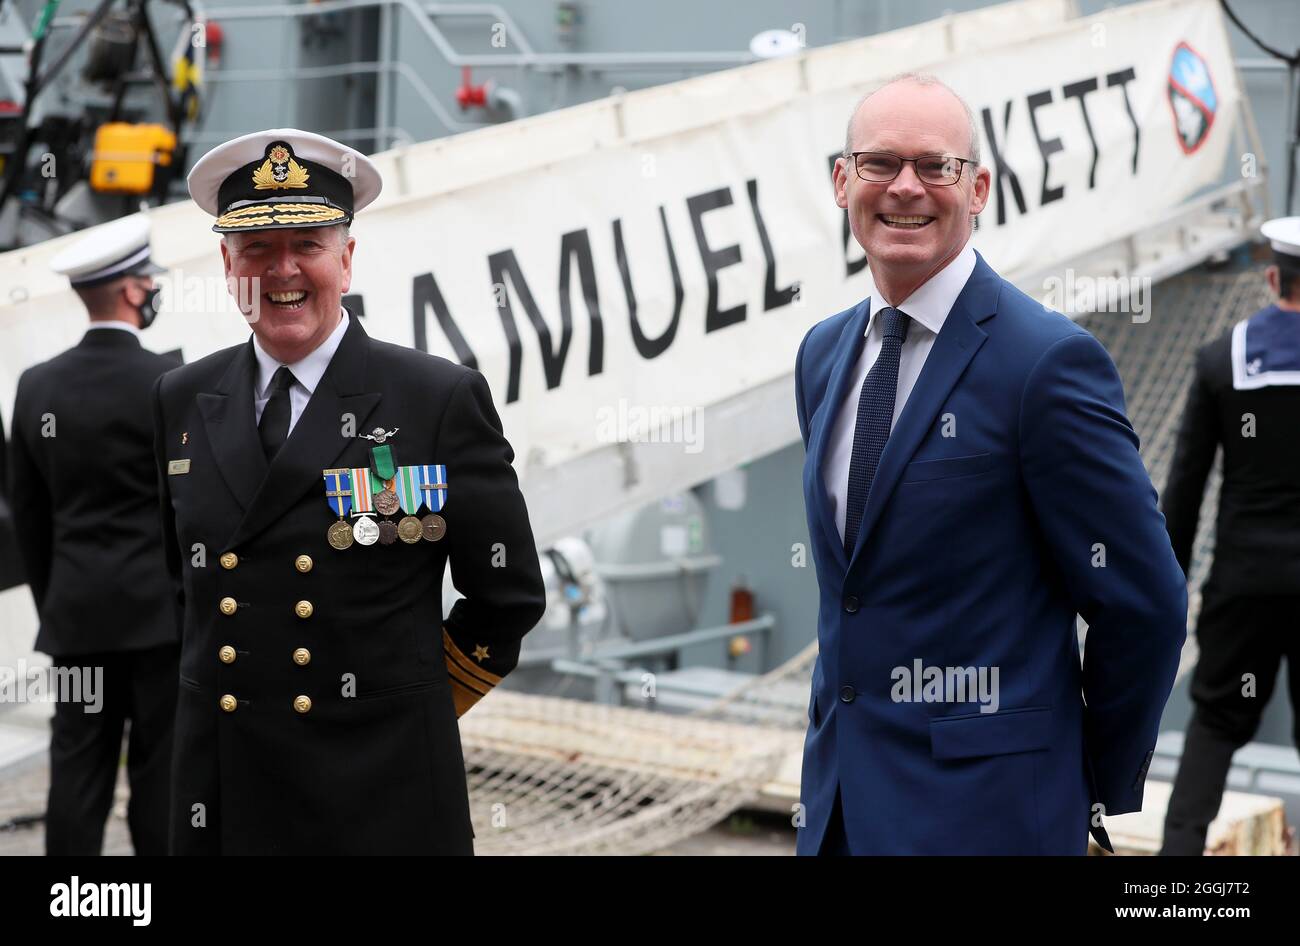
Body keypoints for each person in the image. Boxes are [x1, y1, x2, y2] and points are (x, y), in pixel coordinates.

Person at [793, 74, 1187, 855]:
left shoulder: (1045, 364)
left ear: (978, 189)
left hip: (992, 820)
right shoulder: (824, 355)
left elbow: (1144, 602)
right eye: (879, 163)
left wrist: (1083, 779)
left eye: (936, 167)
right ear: (842, 182)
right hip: (840, 814)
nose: (906, 188)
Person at [156, 128, 546, 854]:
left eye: (306, 244)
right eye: (255, 251)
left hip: (382, 794)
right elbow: (183, 596)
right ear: (225, 262)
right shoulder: (181, 400)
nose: (283, 272)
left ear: (347, 256)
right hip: (226, 796)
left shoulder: (434, 399)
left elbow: (509, 597)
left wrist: (411, 708)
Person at [9, 214, 179, 855]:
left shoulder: (37, 386)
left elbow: (29, 518)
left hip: (78, 618)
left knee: (77, 773)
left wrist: (63, 598)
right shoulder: (169, 382)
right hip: (160, 624)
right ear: (135, 291)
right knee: (160, 774)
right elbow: (187, 509)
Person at [1158, 216, 1300, 855]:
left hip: (1244, 584)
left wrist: (1168, 588)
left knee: (1215, 722)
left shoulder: (1222, 362)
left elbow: (1184, 490)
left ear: (1273, 277)